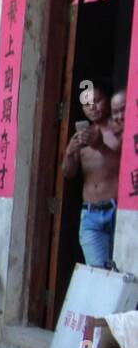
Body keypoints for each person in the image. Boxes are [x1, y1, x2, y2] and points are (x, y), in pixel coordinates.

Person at [65, 80, 120, 269]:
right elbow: (68, 173)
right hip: (90, 214)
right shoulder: (81, 137)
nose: (92, 107)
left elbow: (123, 165)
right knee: (97, 272)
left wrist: (100, 146)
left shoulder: (118, 130)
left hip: (117, 211)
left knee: (122, 272)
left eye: (97, 100)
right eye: (87, 103)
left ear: (108, 100)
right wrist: (69, 153)